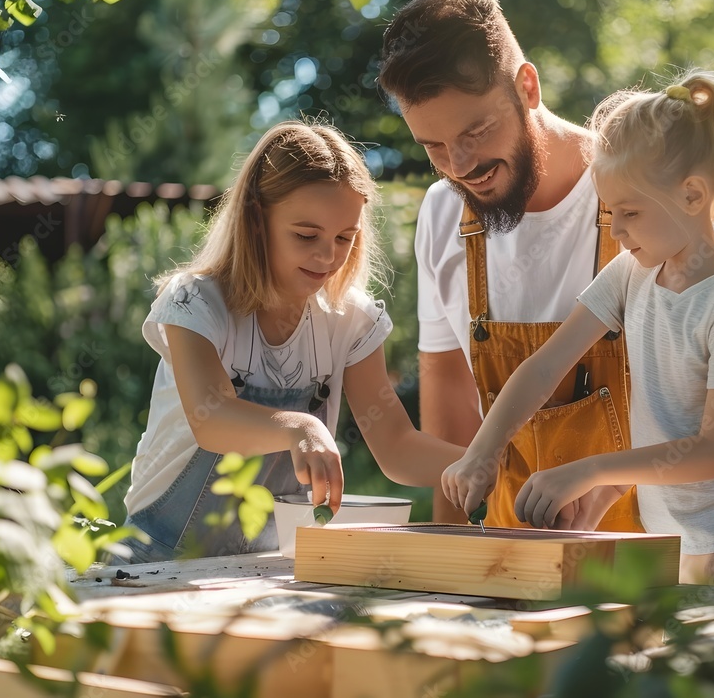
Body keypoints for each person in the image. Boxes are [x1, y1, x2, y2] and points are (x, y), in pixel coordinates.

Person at [443, 70, 714, 587]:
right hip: (667, 541)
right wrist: (484, 450)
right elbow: (544, 368)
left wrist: (593, 470)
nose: (618, 229)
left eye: (630, 211)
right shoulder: (632, 273)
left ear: (692, 196)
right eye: (610, 210)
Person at [116, 121, 463, 563]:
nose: (328, 256)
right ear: (256, 219)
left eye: (345, 237)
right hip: (152, 559)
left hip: (264, 564)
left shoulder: (352, 320)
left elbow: (396, 445)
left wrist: (489, 462)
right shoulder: (196, 302)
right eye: (306, 235)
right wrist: (303, 427)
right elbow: (212, 418)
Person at [377, 0, 641, 531]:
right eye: (433, 146)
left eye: (476, 130)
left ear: (527, 87)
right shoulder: (443, 215)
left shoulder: (641, 191)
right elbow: (451, 418)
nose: (460, 165)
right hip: (506, 558)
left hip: (655, 555)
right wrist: (449, 560)